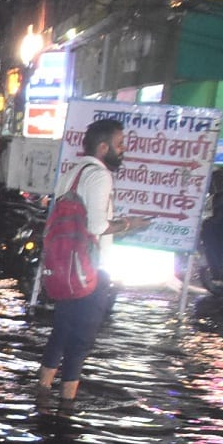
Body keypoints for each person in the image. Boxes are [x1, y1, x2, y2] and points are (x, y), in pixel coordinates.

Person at [36, 119, 151, 404]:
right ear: (103, 147)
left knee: (61, 332)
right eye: (120, 144)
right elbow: (98, 226)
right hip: (89, 271)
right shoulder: (100, 176)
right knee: (80, 342)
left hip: (64, 269)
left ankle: (41, 394)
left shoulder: (72, 172)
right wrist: (129, 223)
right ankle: (66, 408)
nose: (123, 150)